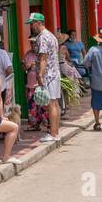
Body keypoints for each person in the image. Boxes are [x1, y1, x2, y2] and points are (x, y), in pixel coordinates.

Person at [28, 13, 61, 142]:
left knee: (51, 103)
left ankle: (53, 134)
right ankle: (56, 132)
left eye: (32, 23)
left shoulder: (43, 37)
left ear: (38, 23)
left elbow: (43, 58)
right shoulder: (51, 36)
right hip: (54, 73)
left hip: (48, 74)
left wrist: (40, 75)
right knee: (55, 103)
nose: (31, 26)